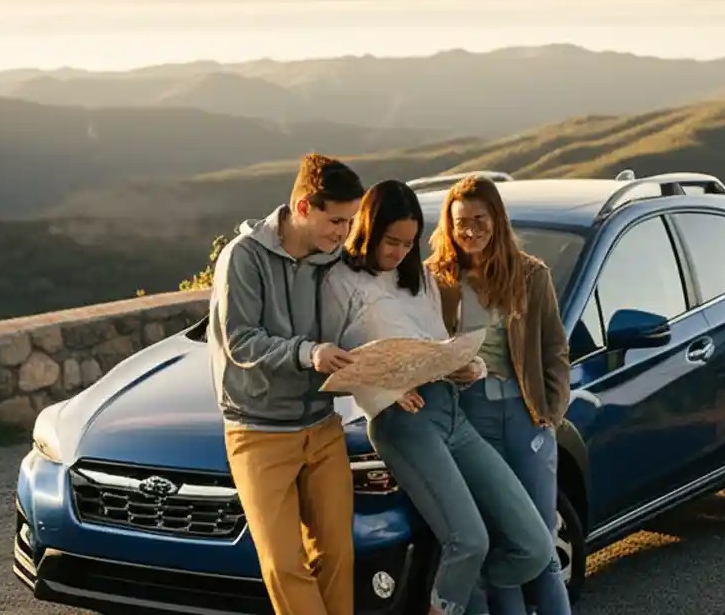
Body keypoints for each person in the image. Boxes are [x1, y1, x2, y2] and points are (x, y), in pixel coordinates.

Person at [322, 180, 554, 615]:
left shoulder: (420, 278)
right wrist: (383, 391)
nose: (400, 253)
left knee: (533, 545)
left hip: (451, 408)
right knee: (469, 540)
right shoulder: (341, 280)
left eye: (410, 243)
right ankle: (448, 605)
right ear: (369, 229)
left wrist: (469, 367)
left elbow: (437, 342)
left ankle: (470, 593)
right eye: (392, 242)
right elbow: (336, 357)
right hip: (402, 420)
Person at [207, 153, 365, 615]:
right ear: (302, 208)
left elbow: (356, 323)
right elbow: (240, 340)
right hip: (257, 432)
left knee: (337, 555)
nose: (343, 233)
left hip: (321, 427)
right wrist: (307, 353)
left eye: (350, 221)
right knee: (282, 565)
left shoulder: (336, 261)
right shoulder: (244, 257)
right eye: (335, 220)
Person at [426, 175, 573, 615]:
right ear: (447, 226)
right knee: (496, 541)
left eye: (479, 219)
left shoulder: (531, 275)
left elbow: (555, 349)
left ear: (497, 219)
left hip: (524, 415)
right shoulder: (436, 279)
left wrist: (552, 411)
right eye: (460, 222)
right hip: (467, 418)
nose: (469, 230)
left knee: (538, 545)